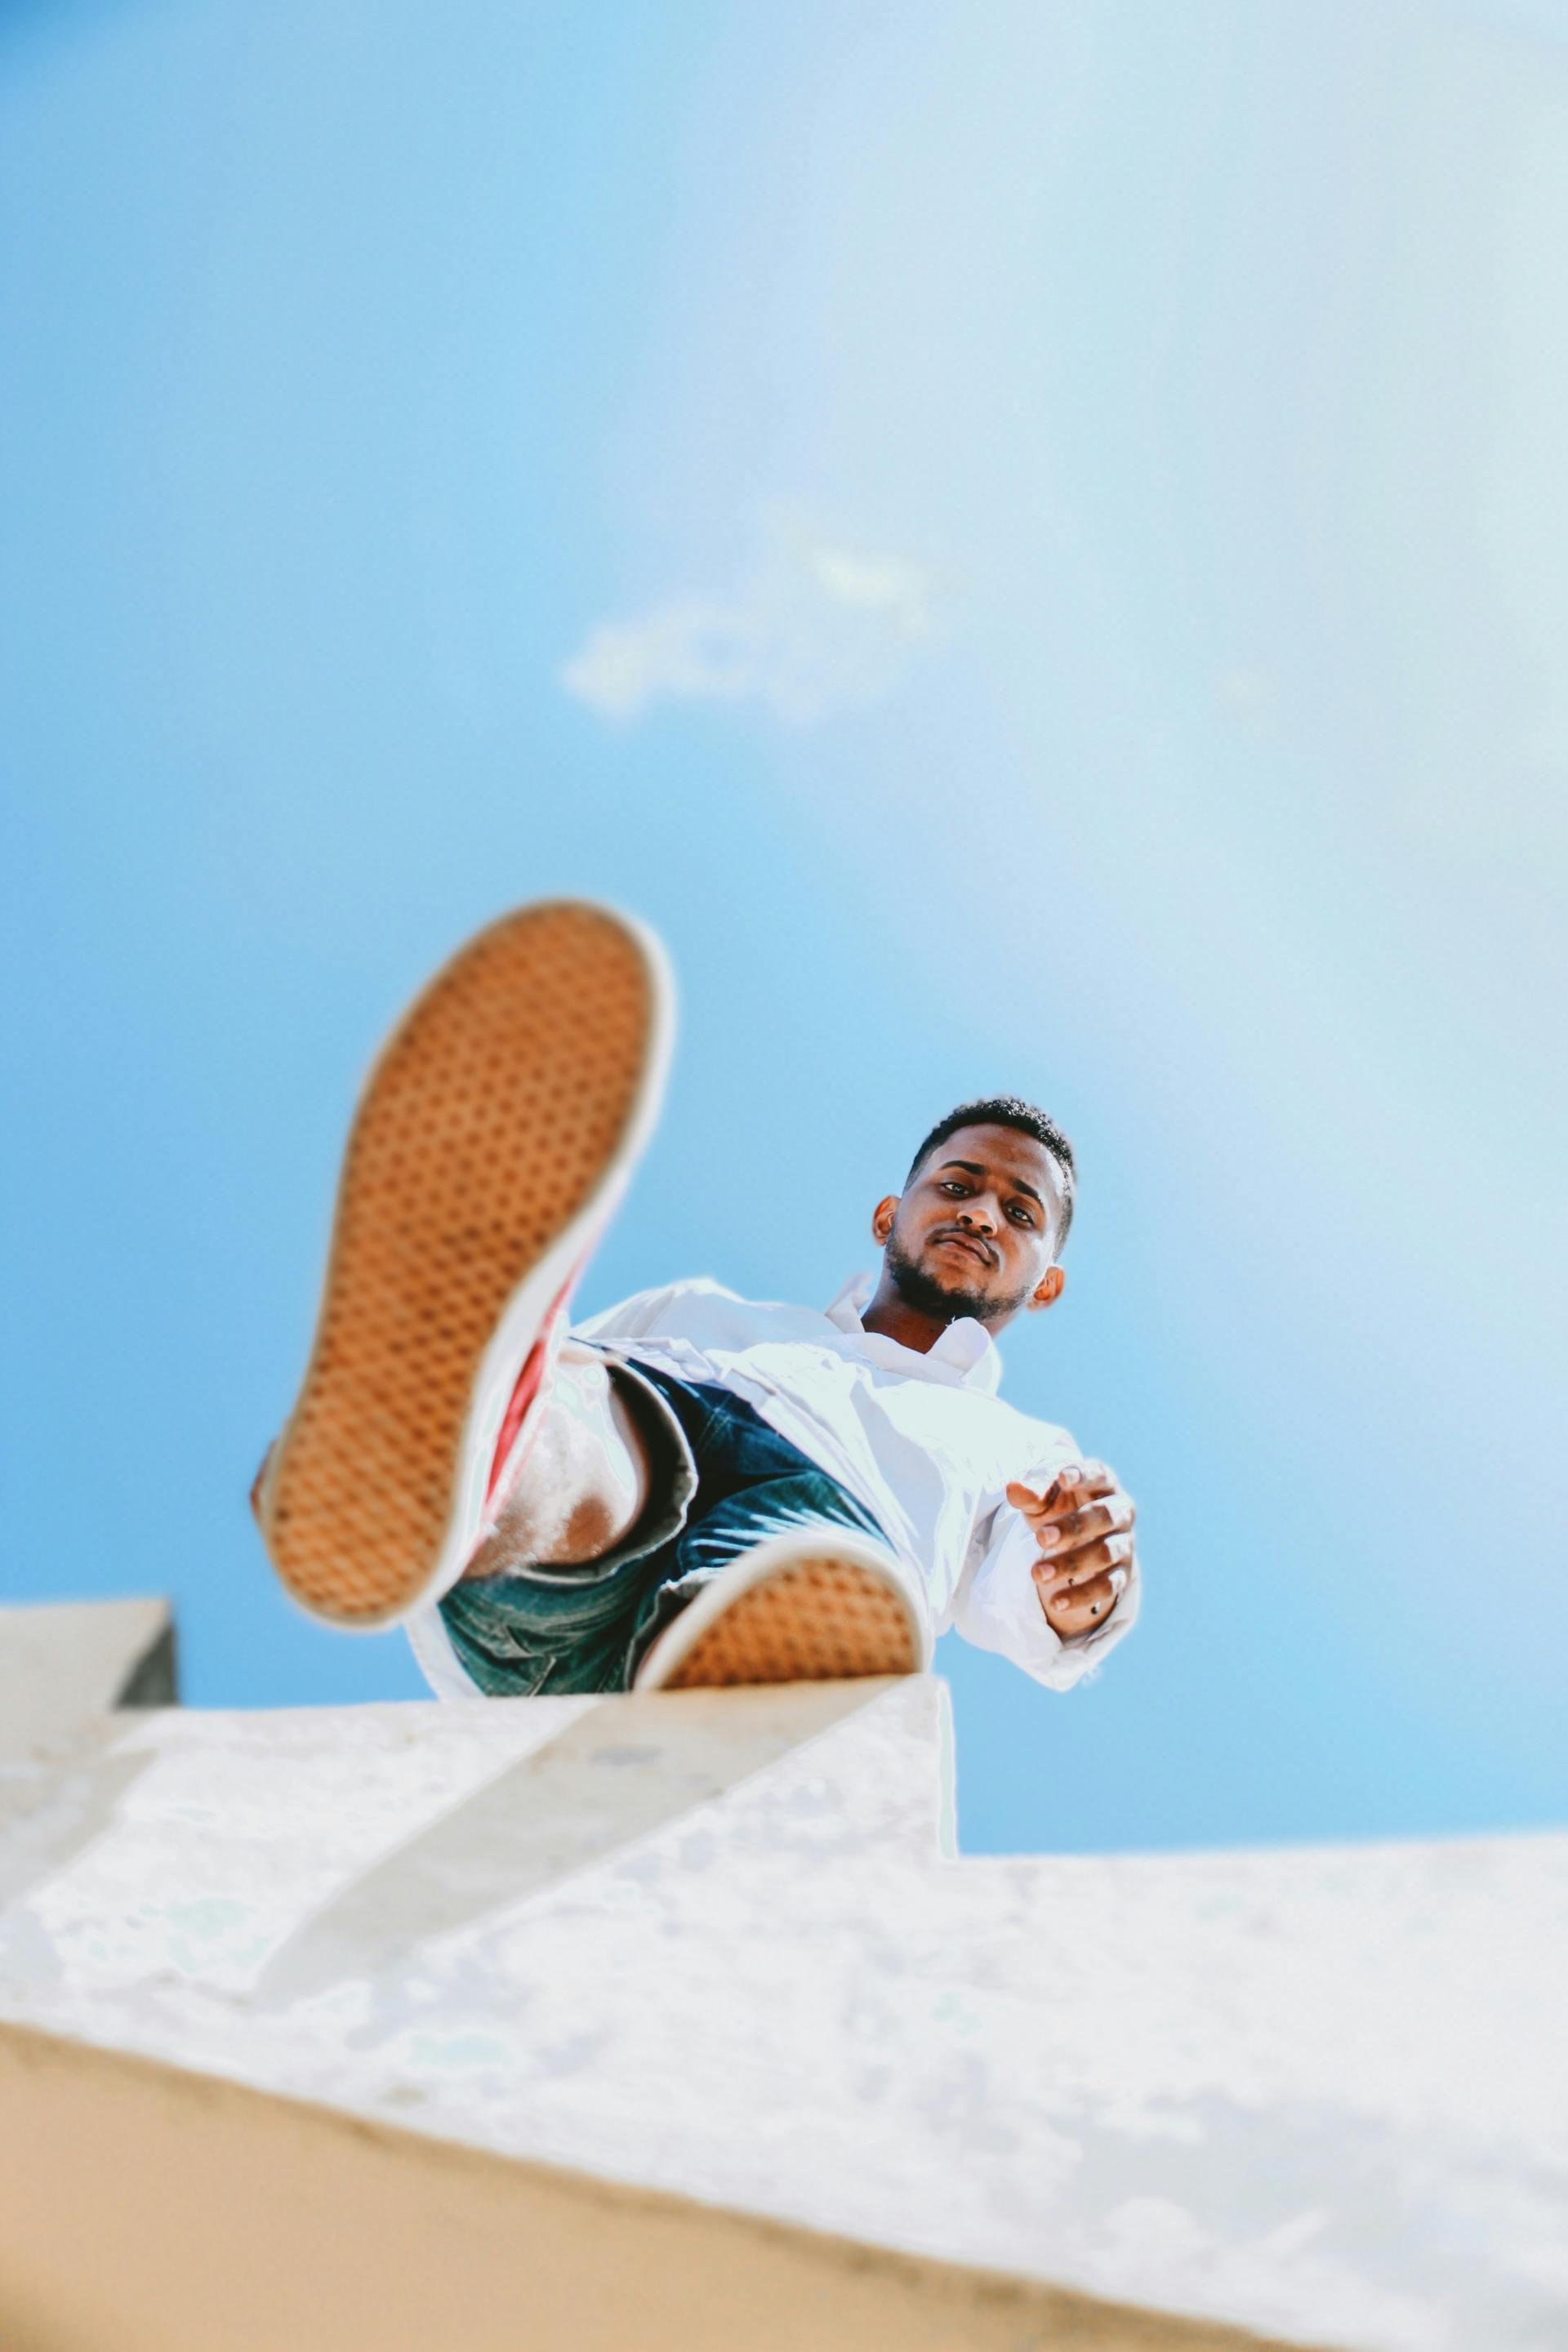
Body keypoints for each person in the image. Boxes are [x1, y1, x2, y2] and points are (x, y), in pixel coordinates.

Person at [252, 900, 1139, 1699]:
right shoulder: (696, 1312)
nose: (981, 1212)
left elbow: (1040, 1591)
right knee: (586, 1415)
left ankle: (738, 1669)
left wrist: (1078, 1588)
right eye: (956, 1185)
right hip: (547, 1595)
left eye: (1018, 1212)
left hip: (828, 1537)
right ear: (888, 1215)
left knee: (810, 1556)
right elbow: (564, 1380)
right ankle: (458, 1451)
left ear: (1046, 1283)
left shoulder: (1027, 1453)